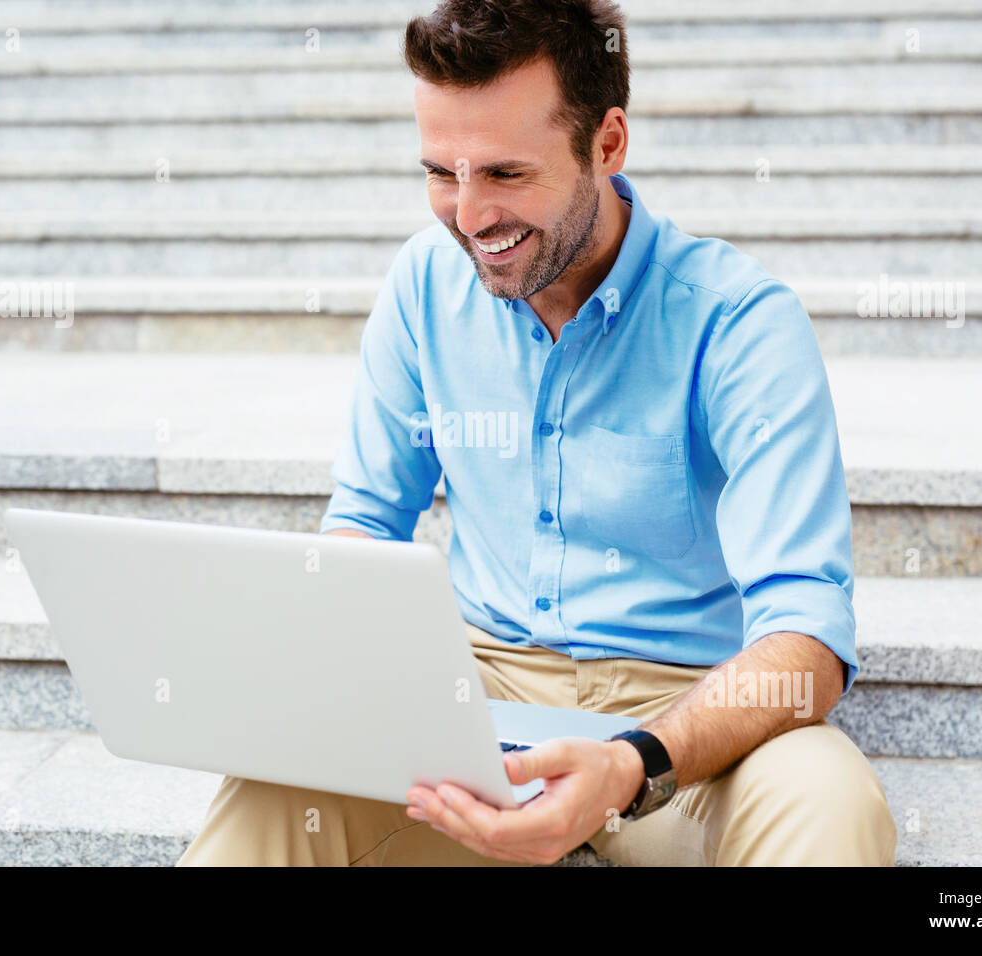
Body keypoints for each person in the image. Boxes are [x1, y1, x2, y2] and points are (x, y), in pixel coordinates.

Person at [178, 0, 896, 867]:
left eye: (507, 175)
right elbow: (362, 527)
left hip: (686, 728)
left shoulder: (740, 323)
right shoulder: (422, 289)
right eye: (443, 171)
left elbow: (808, 641)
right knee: (276, 785)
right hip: (474, 705)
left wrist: (635, 764)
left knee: (826, 799)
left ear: (607, 143)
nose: (470, 217)